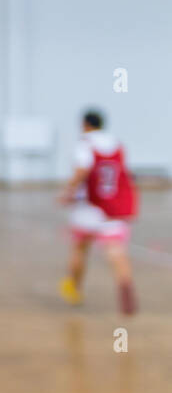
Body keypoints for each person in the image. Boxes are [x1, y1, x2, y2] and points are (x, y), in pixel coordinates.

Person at [58, 109, 138, 315]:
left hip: (88, 209)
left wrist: (68, 192)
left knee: (80, 249)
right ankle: (125, 289)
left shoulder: (85, 145)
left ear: (85, 124)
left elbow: (82, 170)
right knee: (116, 251)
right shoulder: (117, 145)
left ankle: (74, 288)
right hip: (112, 209)